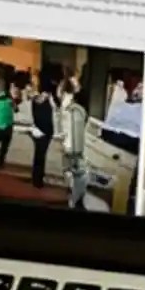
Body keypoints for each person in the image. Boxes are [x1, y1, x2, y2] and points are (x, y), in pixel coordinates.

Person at [57, 78, 91, 210]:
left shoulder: (71, 108)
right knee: (77, 173)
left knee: (75, 173)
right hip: (74, 146)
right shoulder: (74, 109)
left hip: (71, 146)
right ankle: (75, 199)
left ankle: (75, 199)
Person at [29, 77, 57, 188]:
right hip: (46, 130)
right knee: (41, 155)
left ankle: (37, 177)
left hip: (37, 129)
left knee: (38, 154)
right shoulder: (49, 100)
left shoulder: (35, 98)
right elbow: (55, 109)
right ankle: (38, 179)